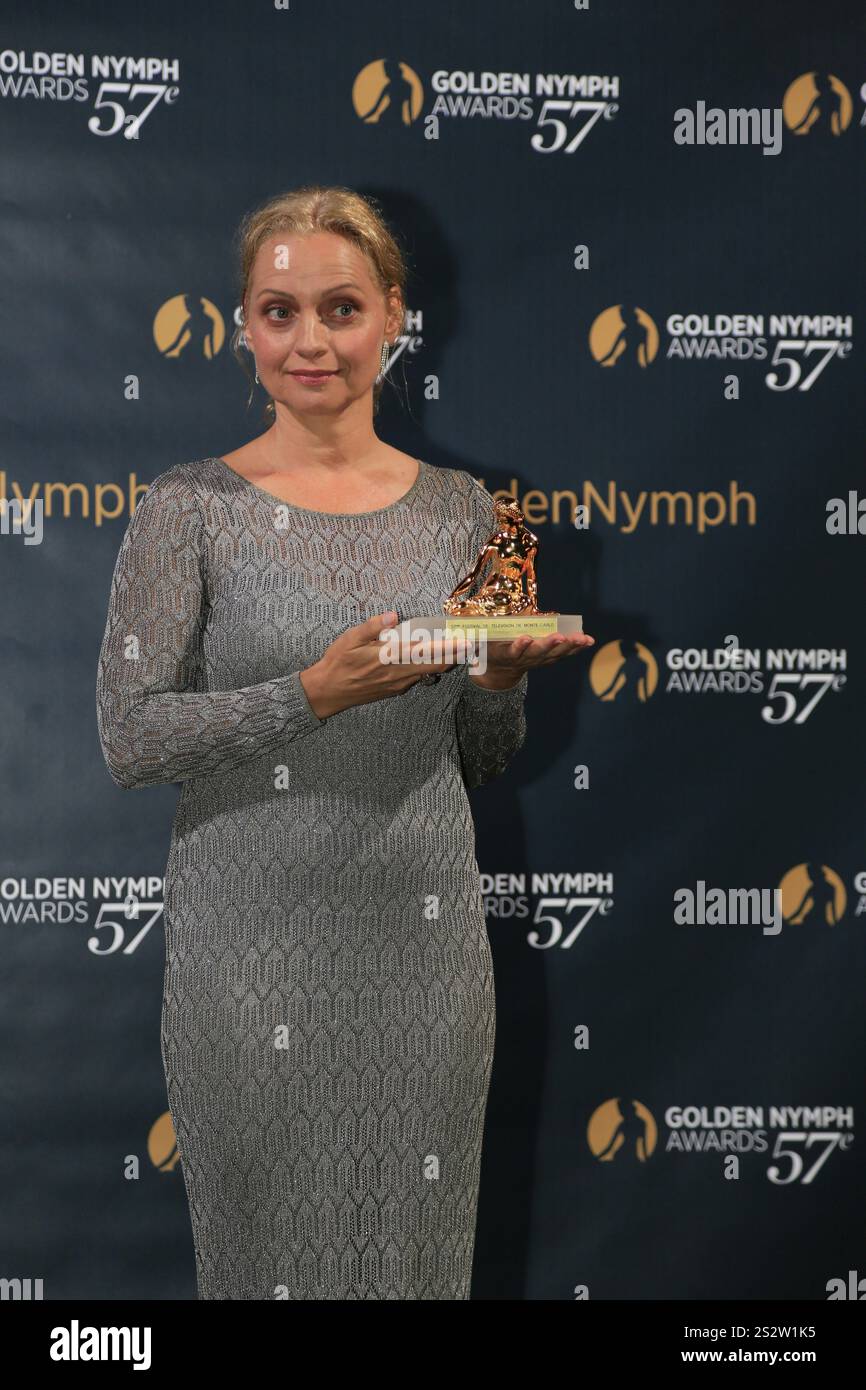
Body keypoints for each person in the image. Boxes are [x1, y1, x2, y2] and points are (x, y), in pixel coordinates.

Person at [95, 184, 595, 1300]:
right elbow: (130, 736)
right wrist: (310, 695)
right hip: (247, 954)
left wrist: (501, 674)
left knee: (413, 1261)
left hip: (421, 954)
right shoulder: (190, 509)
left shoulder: (466, 510)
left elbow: (478, 750)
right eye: (278, 311)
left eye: (339, 308)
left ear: (394, 318)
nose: (309, 339)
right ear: (240, 326)